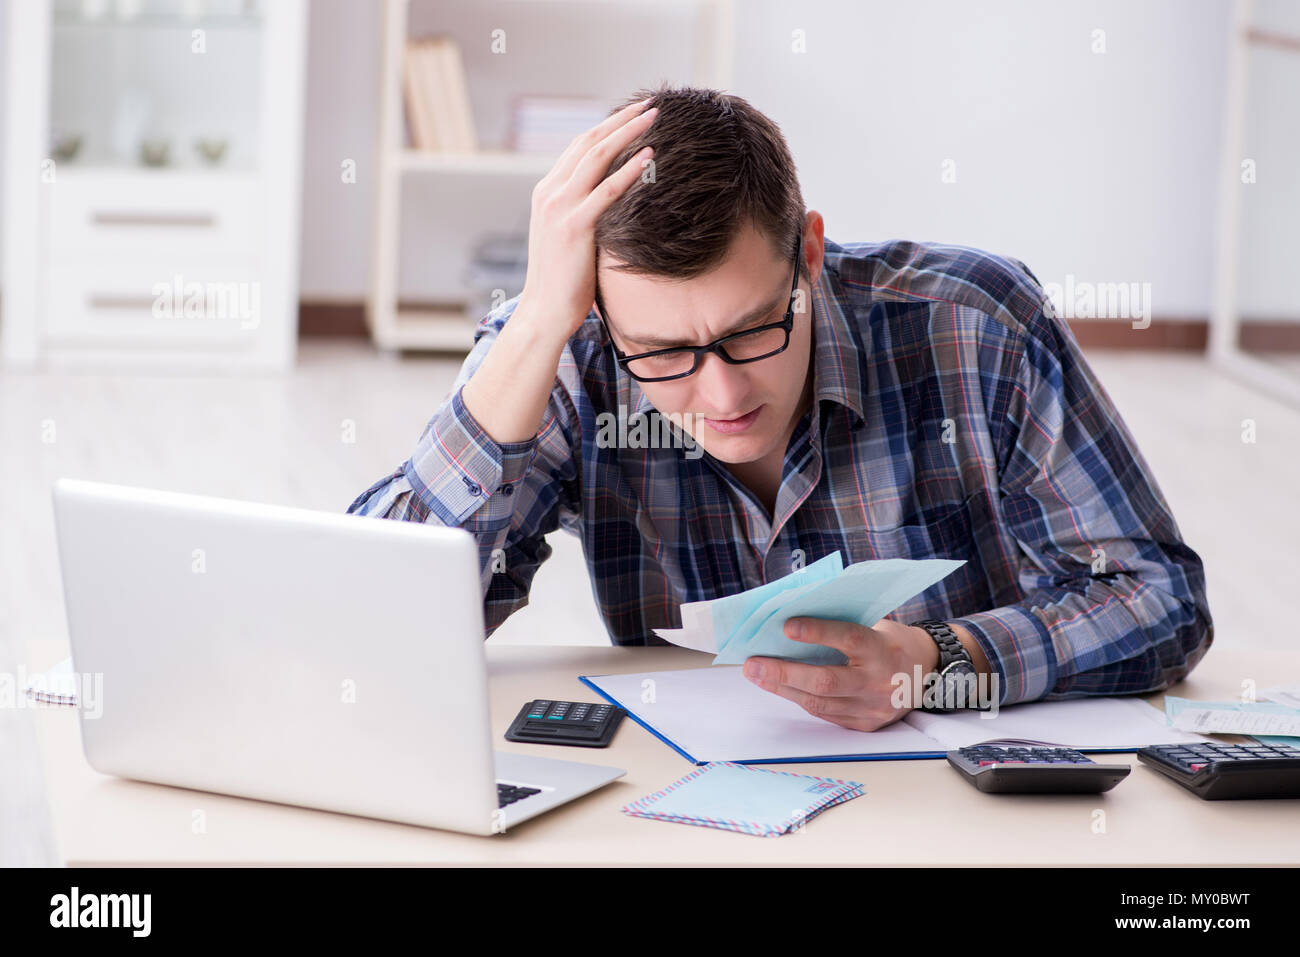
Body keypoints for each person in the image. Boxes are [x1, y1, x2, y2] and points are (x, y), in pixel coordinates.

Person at [348, 85, 1212, 731]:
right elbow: (376, 626)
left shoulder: (975, 324)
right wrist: (536, 325)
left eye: (754, 329)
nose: (722, 395)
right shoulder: (564, 347)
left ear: (808, 253)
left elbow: (1161, 598)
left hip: (959, 797)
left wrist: (938, 660)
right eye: (663, 353)